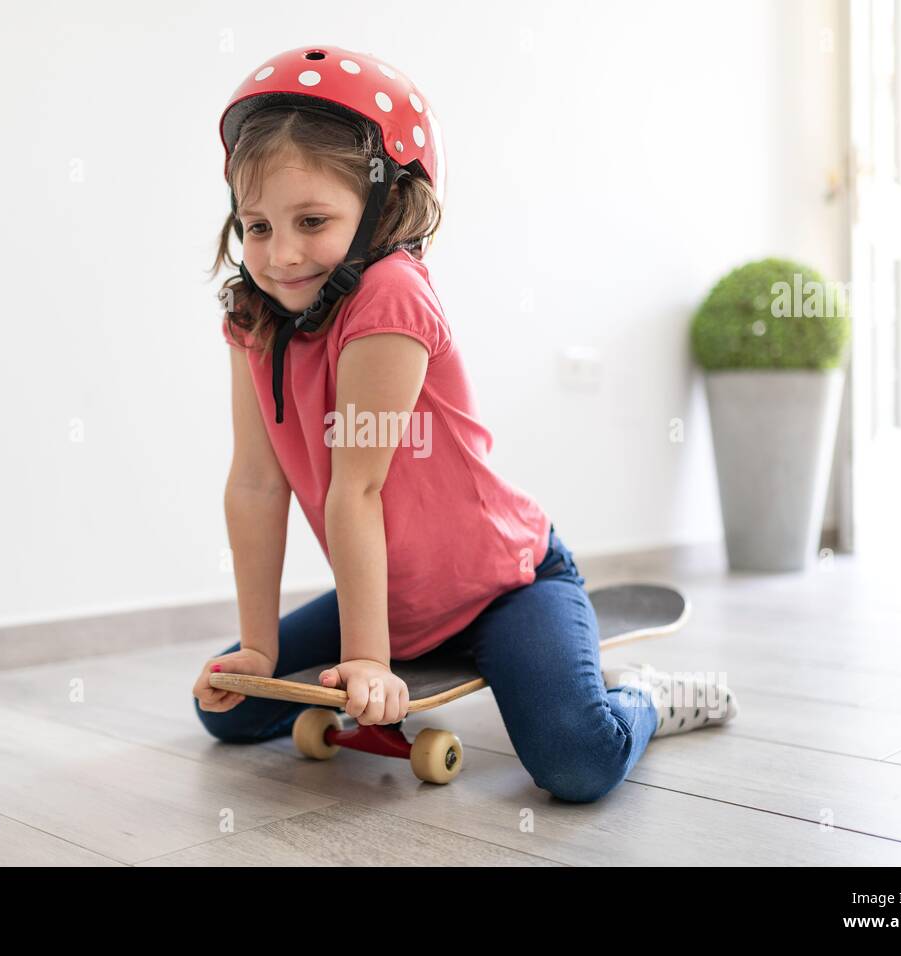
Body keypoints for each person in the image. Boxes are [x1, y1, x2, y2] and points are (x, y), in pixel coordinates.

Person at [192, 45, 737, 803]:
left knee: (576, 761)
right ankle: (395, 656)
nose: (279, 255)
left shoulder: (389, 295)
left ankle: (644, 696)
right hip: (402, 604)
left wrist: (369, 662)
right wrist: (258, 645)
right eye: (255, 226)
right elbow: (255, 483)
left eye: (311, 220)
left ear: (384, 207)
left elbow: (358, 489)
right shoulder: (253, 318)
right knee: (225, 703)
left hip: (504, 586)